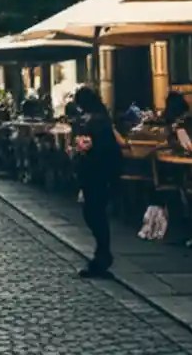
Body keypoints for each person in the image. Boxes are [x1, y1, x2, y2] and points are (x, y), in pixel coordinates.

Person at [72, 86, 123, 279]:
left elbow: (94, 147)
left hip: (95, 173)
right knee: (95, 213)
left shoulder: (94, 122)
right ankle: (101, 254)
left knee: (94, 213)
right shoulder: (100, 119)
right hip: (99, 173)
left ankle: (102, 256)